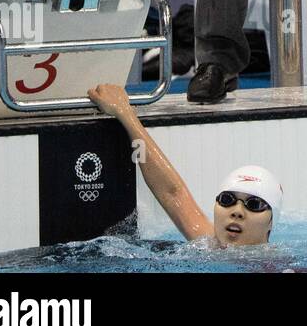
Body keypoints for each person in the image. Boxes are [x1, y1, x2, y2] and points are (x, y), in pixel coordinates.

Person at [89, 84, 281, 246]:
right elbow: (172, 192)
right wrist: (124, 111)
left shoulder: (277, 266)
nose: (237, 212)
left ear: (272, 221)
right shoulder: (209, 246)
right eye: (227, 199)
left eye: (254, 204)